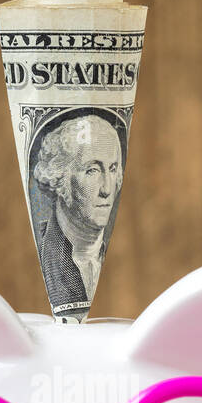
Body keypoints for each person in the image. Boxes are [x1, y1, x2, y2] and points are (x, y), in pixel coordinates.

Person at [31, 115, 124, 316]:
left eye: (113, 169)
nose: (107, 189)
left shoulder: (121, 258)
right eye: (92, 170)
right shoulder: (41, 256)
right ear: (60, 178)